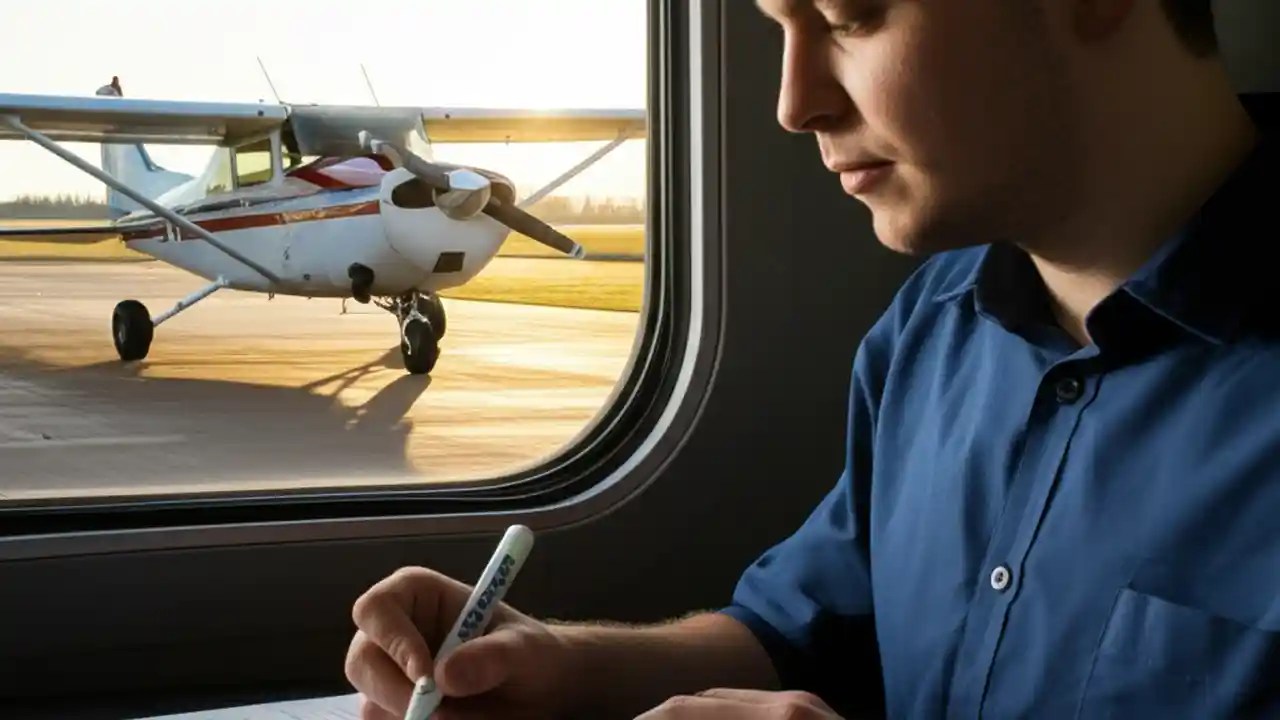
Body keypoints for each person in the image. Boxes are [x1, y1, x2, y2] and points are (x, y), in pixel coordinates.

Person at [345, 1, 1280, 717]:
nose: (795, 104)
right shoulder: (929, 330)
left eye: (849, 17)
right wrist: (555, 660)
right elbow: (799, 635)